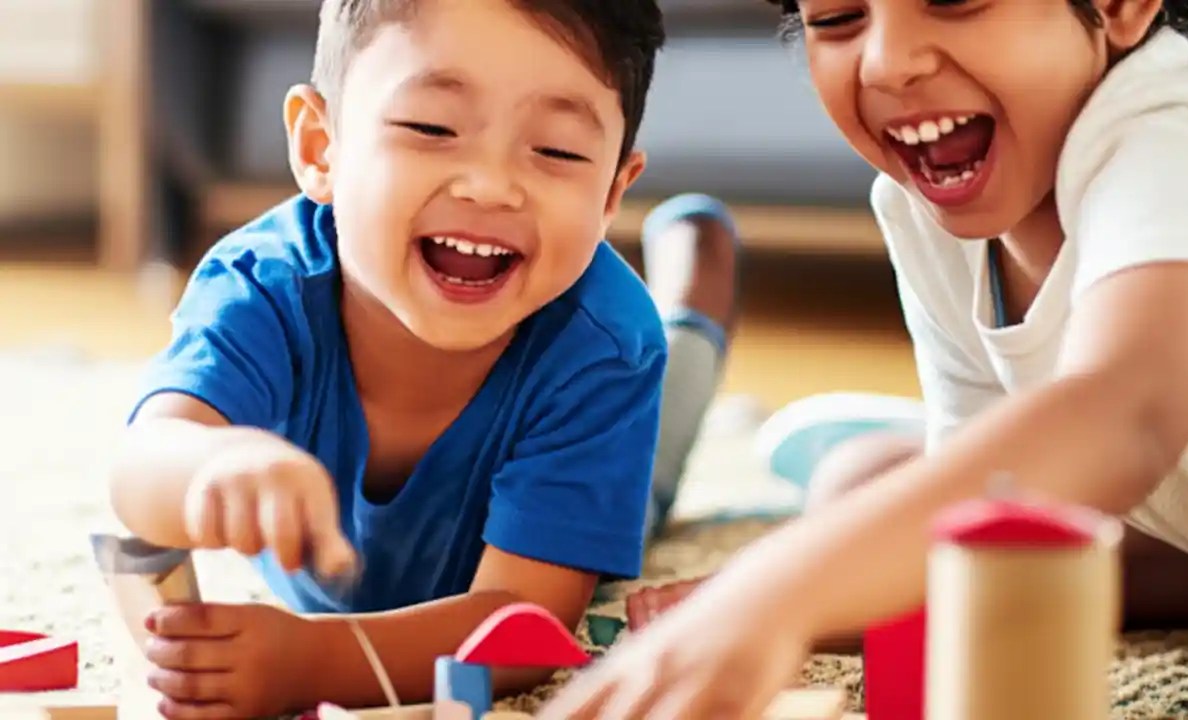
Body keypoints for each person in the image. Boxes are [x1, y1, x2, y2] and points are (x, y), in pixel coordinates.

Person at [540, 0, 1188, 717]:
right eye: (836, 19)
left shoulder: (1181, 137)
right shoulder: (922, 216)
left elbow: (1129, 413)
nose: (888, 63)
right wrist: (768, 607)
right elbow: (987, 528)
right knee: (862, 488)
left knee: (865, 523)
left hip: (1176, 471)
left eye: (955, 1)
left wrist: (781, 590)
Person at [104, 0, 740, 715]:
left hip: (601, 408)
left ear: (610, 197)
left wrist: (313, 660)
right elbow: (141, 464)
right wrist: (208, 469)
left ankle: (696, 293)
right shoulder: (262, 286)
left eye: (557, 151)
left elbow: (523, 630)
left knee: (656, 450)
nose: (490, 186)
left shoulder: (604, 350)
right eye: (431, 128)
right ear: (321, 148)